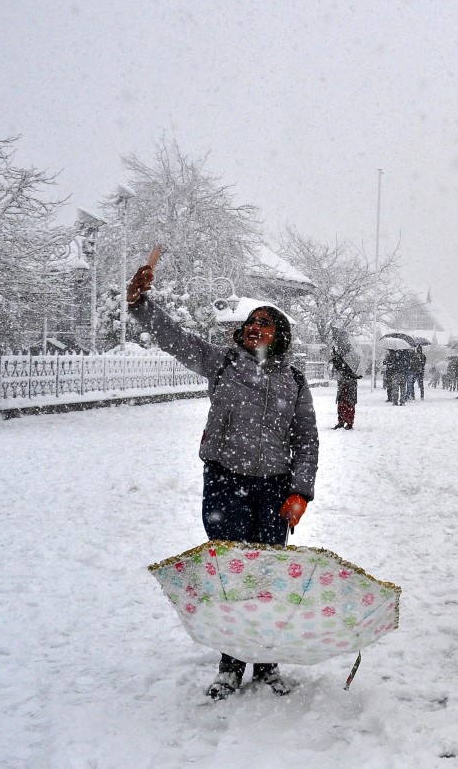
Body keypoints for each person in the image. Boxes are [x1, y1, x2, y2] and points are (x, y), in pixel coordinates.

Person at [126, 259, 317, 700]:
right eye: (251, 322)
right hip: (226, 483)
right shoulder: (223, 364)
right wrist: (140, 304)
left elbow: (306, 439)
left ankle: (266, 661)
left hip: (273, 489)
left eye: (265, 323)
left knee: (265, 574)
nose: (255, 328)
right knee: (231, 574)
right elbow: (174, 338)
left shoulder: (293, 380)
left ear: (280, 334)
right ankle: (231, 663)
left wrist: (299, 493)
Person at [329, 350, 361, 430]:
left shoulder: (348, 361)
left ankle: (348, 422)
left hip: (349, 384)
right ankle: (342, 421)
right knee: (341, 403)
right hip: (344, 384)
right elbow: (339, 369)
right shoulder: (341, 360)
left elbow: (349, 372)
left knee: (349, 403)